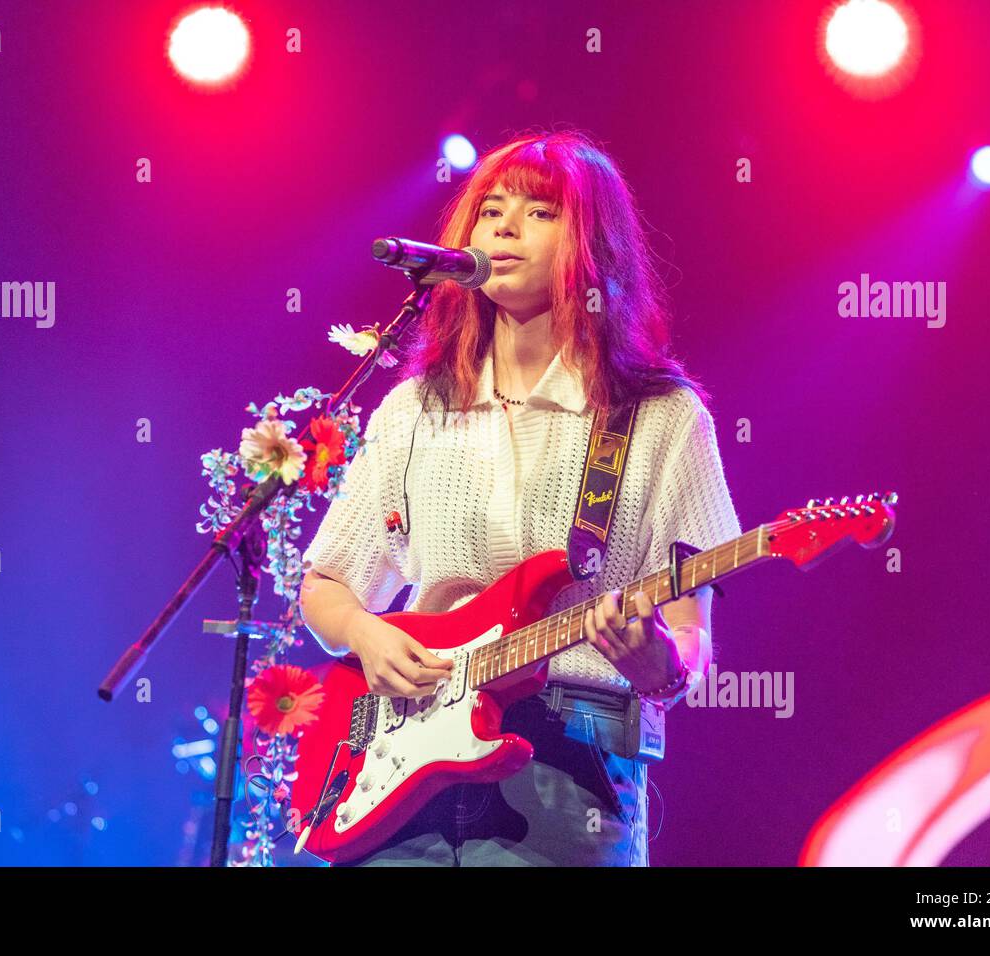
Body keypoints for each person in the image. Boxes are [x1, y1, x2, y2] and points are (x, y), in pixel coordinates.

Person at [298, 129, 741, 866]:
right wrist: (366, 634)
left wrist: (659, 663)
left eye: (540, 212)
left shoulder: (661, 416)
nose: (505, 227)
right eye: (490, 209)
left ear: (594, 247)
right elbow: (326, 585)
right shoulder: (415, 409)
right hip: (403, 766)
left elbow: (689, 636)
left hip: (567, 771)